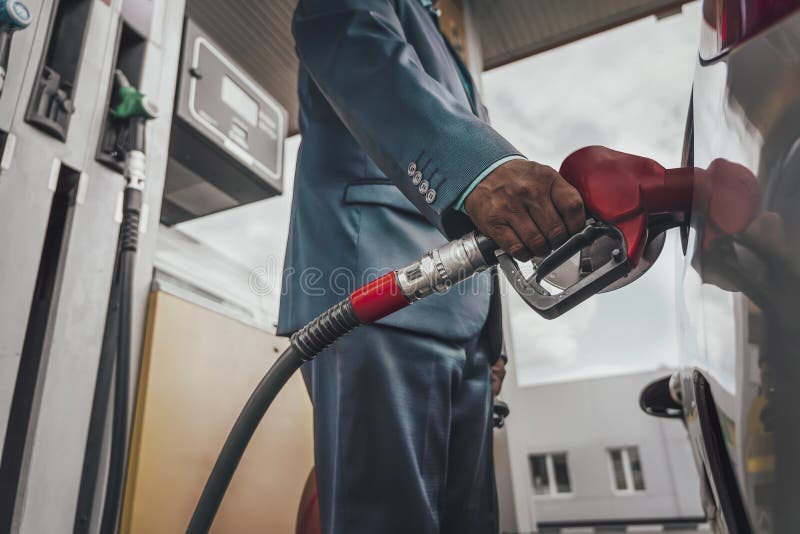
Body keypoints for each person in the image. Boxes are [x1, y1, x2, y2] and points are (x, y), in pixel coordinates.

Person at [278, 1, 586, 533]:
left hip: (467, 328)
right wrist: (481, 167)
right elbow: (353, 40)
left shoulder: (445, 43)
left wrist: (494, 343)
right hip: (375, 292)